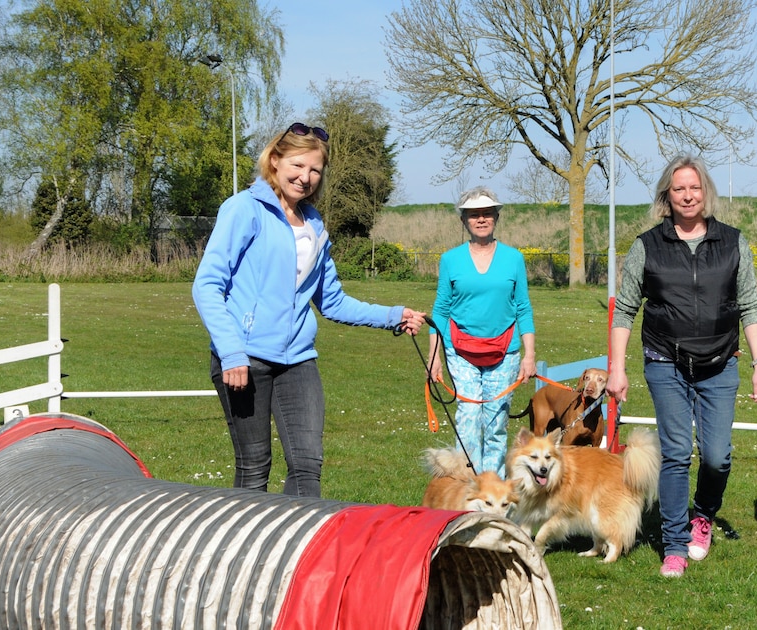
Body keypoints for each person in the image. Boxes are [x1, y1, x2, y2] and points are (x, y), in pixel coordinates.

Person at [193, 122, 426, 499]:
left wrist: (392, 315)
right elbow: (206, 285)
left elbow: (332, 300)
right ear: (274, 160)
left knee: (307, 466)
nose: (306, 177)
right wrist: (232, 351)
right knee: (254, 466)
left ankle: (295, 555)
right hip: (243, 358)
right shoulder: (243, 210)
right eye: (298, 166)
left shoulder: (314, 225)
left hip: (298, 360)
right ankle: (243, 555)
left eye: (315, 170)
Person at [607, 154, 757, 578]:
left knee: (717, 457)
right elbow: (624, 310)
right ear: (667, 195)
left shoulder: (734, 242)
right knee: (677, 452)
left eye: (694, 187)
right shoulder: (647, 245)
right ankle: (675, 543)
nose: (687, 195)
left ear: (706, 192)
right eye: (679, 189)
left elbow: (750, 305)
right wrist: (617, 368)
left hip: (720, 363)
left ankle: (704, 515)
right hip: (666, 361)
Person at [427, 186, 536, 478]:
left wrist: (529, 355)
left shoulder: (514, 259)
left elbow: (523, 307)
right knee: (469, 416)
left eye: (487, 213)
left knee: (496, 422)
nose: (481, 219)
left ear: (496, 217)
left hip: (506, 350)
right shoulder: (450, 259)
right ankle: (467, 485)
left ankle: (494, 487)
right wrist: (434, 356)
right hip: (460, 350)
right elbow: (440, 310)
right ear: (464, 221)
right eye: (474, 215)